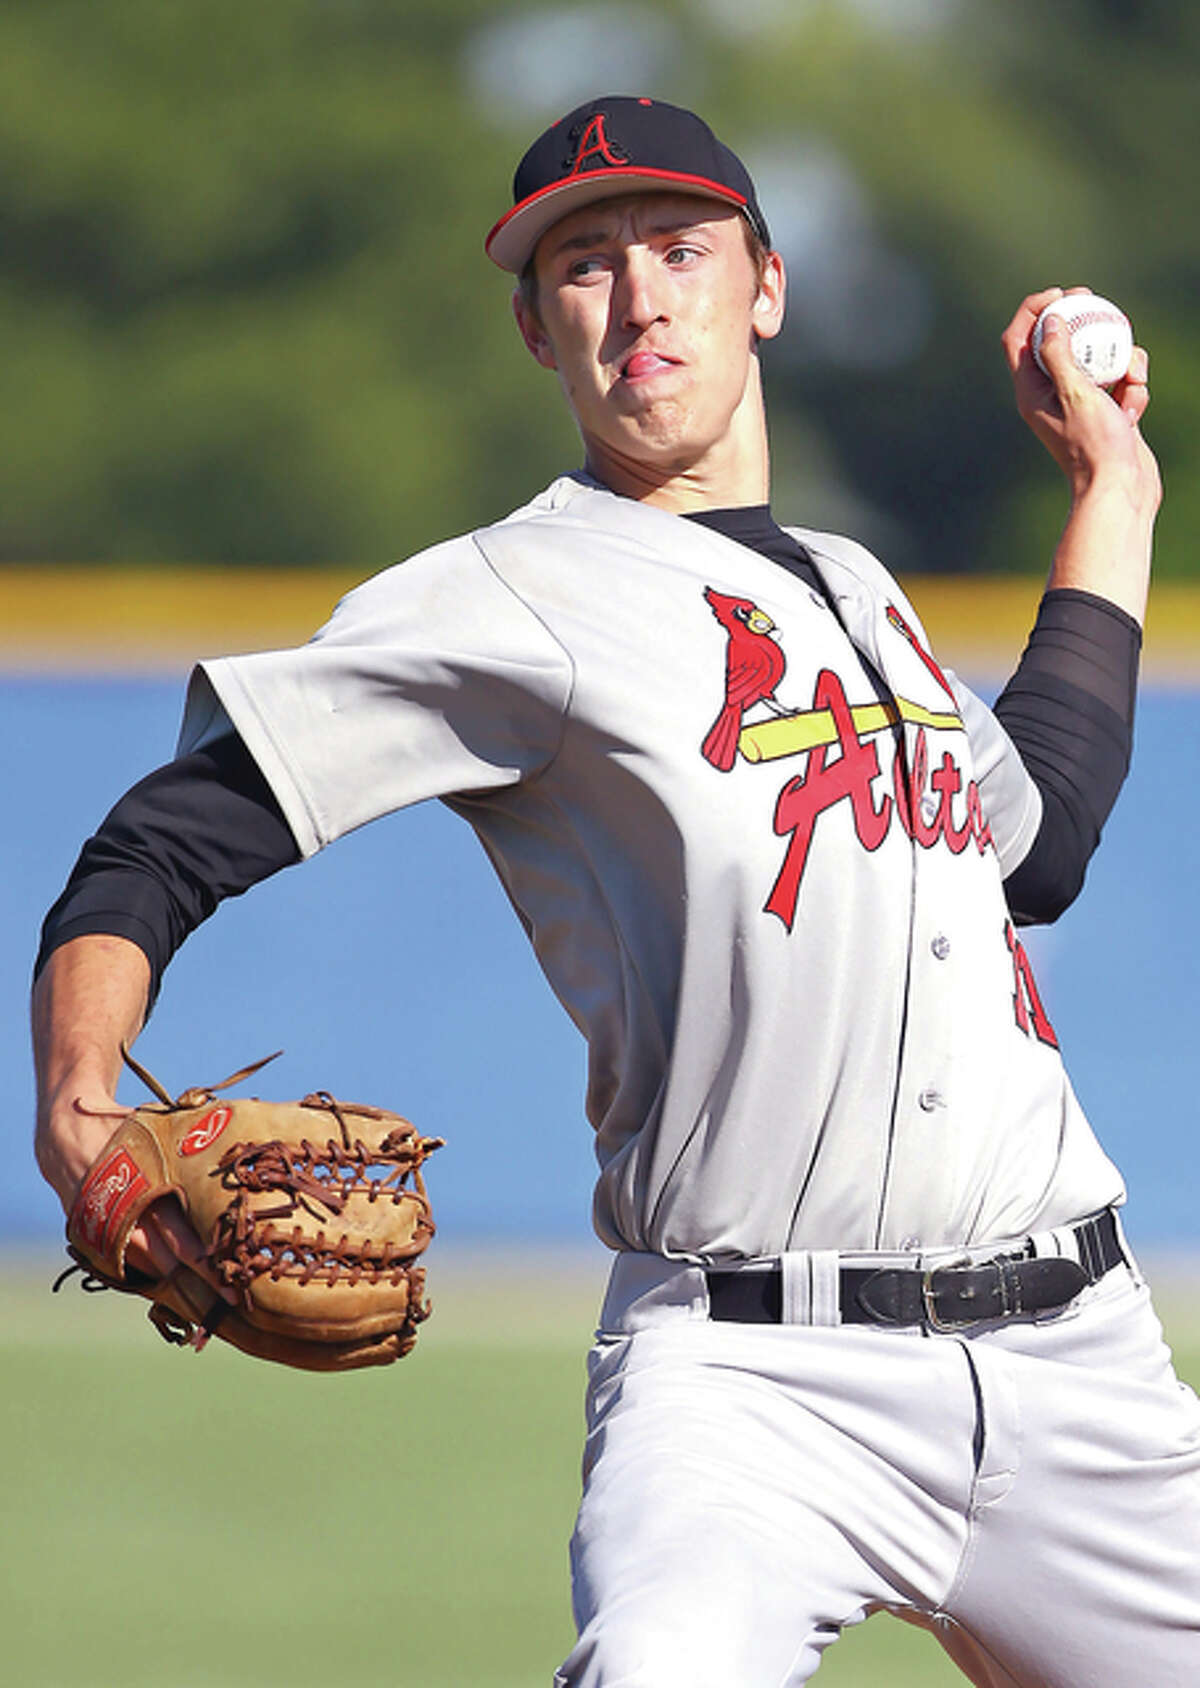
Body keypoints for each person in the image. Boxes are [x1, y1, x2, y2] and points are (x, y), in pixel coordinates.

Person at [33, 95, 1200, 1687]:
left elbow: (1041, 847)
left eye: (679, 249)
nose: (641, 298)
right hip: (753, 1384)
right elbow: (153, 849)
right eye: (584, 267)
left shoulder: (863, 587)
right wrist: (77, 1093)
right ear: (535, 329)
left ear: (766, 288)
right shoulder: (507, 596)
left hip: (1080, 1358)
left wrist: (1114, 493)